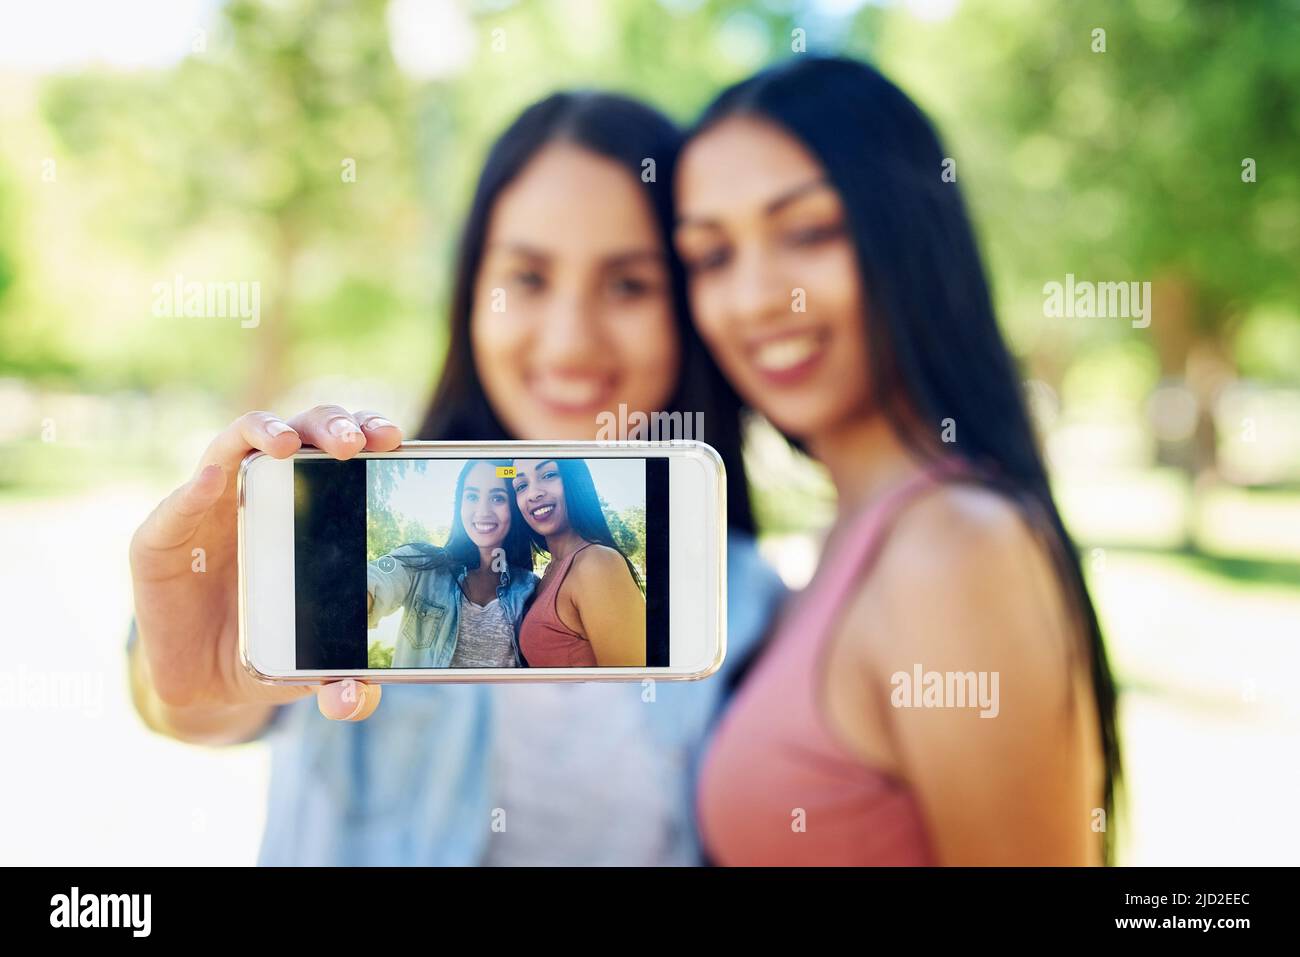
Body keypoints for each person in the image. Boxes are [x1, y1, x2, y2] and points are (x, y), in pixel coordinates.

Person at [127, 90, 785, 865]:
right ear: (473, 291)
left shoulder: (746, 609)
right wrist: (185, 679)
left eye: (629, 284)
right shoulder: (380, 531)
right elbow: (198, 702)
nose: (571, 339)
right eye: (529, 278)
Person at [674, 56, 1122, 865]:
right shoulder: (842, 547)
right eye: (711, 257)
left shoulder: (955, 550)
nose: (756, 297)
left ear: (908, 234)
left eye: (808, 232)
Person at [369, 459, 537, 669]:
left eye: (497, 498)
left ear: (514, 507)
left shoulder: (530, 588)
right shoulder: (419, 564)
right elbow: (376, 579)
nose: (483, 510)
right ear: (460, 505)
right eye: (472, 496)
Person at [511, 457, 646, 667]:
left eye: (548, 475)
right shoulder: (550, 572)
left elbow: (629, 685)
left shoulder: (597, 563)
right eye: (521, 486)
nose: (533, 493)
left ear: (574, 480)